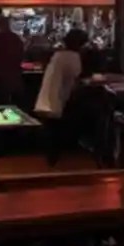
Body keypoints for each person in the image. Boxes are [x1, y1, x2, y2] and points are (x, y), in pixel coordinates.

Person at [36, 28, 89, 165]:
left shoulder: (58, 55)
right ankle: (55, 161)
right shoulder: (73, 57)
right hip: (58, 100)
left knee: (51, 130)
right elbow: (76, 78)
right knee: (56, 131)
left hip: (47, 98)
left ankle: (51, 159)